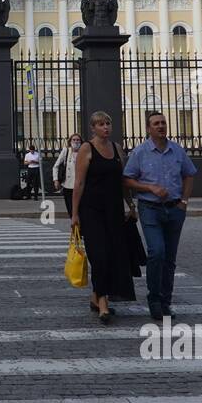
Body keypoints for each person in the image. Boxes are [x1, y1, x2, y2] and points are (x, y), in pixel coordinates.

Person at [122, 111, 198, 321]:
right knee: (157, 251)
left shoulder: (177, 150)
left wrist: (184, 202)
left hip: (175, 209)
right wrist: (149, 188)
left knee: (170, 258)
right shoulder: (140, 152)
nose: (161, 126)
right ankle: (154, 299)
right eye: (156, 123)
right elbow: (127, 180)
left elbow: (189, 174)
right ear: (148, 128)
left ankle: (166, 302)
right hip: (150, 208)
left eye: (163, 123)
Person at [70, 112, 138, 324]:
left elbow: (122, 181)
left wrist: (131, 205)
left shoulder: (117, 148)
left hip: (113, 209)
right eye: (101, 124)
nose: (106, 127)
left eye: (108, 123)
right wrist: (74, 214)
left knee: (113, 255)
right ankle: (103, 304)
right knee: (99, 255)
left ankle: (95, 296)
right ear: (93, 128)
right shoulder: (86, 149)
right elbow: (79, 184)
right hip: (91, 210)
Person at [53, 133, 82, 216]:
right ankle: (75, 228)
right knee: (71, 210)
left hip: (80, 186)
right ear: (70, 141)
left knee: (80, 210)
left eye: (78, 140)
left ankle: (80, 228)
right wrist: (56, 180)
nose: (76, 142)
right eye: (74, 140)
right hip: (68, 185)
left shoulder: (84, 151)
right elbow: (56, 166)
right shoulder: (66, 151)